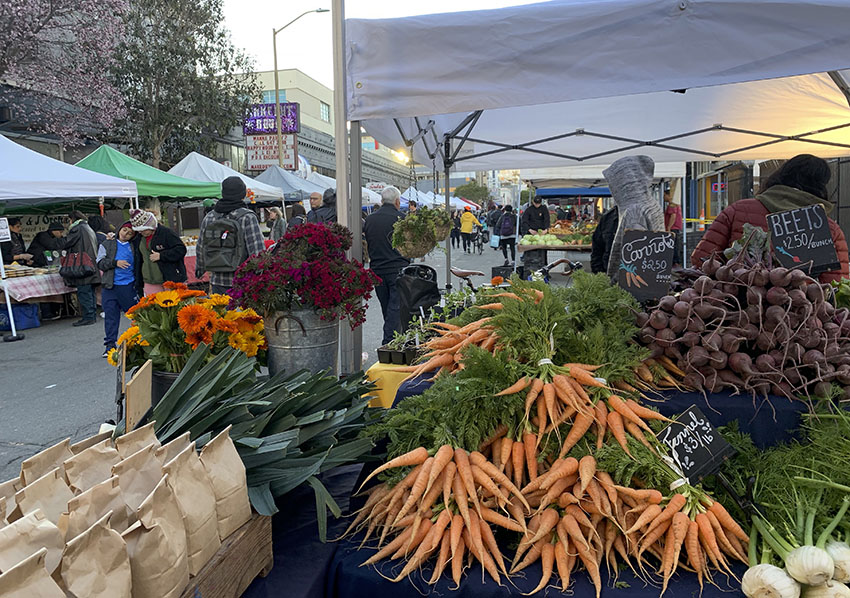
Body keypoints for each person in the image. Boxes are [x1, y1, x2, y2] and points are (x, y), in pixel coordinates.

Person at [692, 153, 849, 282]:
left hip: (735, 308)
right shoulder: (829, 228)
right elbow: (835, 284)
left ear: (782, 175)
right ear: (822, 186)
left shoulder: (738, 209)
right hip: (801, 316)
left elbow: (701, 260)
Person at [196, 176, 265, 295]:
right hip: (242, 281)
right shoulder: (247, 217)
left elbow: (201, 248)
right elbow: (257, 251)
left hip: (217, 281)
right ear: (242, 194)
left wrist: (200, 270)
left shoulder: (210, 217)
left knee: (220, 312)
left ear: (223, 193)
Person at [603, 155, 665, 280]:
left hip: (634, 285)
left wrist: (615, 281)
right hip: (654, 277)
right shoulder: (651, 203)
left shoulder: (634, 210)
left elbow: (634, 260)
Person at [364, 186, 410, 345]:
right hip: (397, 269)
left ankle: (395, 340)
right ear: (397, 202)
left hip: (376, 270)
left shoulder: (370, 219)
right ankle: (389, 342)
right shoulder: (402, 219)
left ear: (382, 201)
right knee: (395, 309)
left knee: (387, 308)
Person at [97, 222, 139, 357]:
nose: (125, 234)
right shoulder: (106, 244)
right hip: (110, 286)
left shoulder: (134, 246)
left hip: (128, 285)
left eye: (129, 233)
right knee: (111, 316)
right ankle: (110, 345)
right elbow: (100, 263)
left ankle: (140, 340)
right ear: (120, 228)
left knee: (135, 315)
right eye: (124, 230)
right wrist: (115, 263)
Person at [129, 209, 187, 296]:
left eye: (143, 229)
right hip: (150, 280)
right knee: (153, 306)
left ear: (151, 226)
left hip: (170, 279)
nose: (140, 232)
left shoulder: (166, 233)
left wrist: (161, 256)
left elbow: (181, 249)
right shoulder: (139, 237)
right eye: (138, 230)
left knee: (175, 305)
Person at [58, 210, 101, 326]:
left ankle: (88, 317)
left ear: (72, 219)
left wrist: (61, 237)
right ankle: (91, 315)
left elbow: (66, 242)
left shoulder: (77, 228)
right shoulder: (87, 227)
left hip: (82, 265)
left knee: (84, 292)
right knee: (89, 292)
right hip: (90, 263)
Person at [521, 194, 550, 269]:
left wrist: (546, 229)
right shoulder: (529, 210)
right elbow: (524, 221)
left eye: (539, 203)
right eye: (536, 203)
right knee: (530, 251)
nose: (537, 205)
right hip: (531, 233)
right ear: (533, 202)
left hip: (542, 234)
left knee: (543, 252)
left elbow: (547, 219)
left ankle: (544, 267)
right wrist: (529, 230)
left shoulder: (544, 209)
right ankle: (529, 267)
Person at [590, 205, 619, 274]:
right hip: (609, 276)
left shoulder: (647, 214)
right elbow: (597, 250)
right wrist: (599, 274)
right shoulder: (607, 218)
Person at [664, 190, 684, 266]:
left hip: (673, 228)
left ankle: (675, 262)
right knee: (675, 245)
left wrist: (668, 227)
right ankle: (675, 262)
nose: (664, 198)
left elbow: (673, 216)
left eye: (664, 195)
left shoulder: (672, 205)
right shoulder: (676, 204)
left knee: (673, 245)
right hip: (676, 227)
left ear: (669, 196)